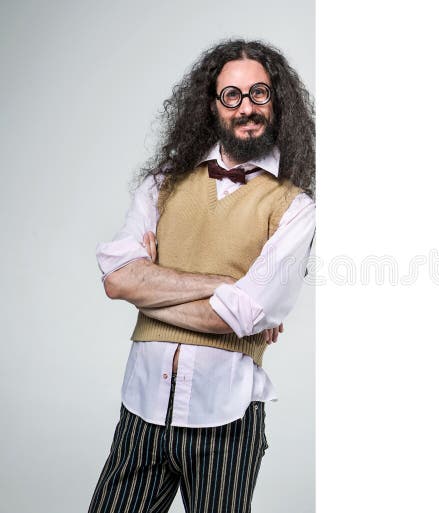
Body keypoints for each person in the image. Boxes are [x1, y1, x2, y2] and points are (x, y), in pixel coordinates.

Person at [88, 39, 315, 513]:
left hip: (227, 419)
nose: (246, 107)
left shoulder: (294, 207)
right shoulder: (162, 183)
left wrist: (149, 286)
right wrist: (222, 284)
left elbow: (240, 315)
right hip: (142, 410)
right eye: (232, 95)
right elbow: (117, 279)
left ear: (277, 101)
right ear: (212, 106)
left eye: (259, 93)